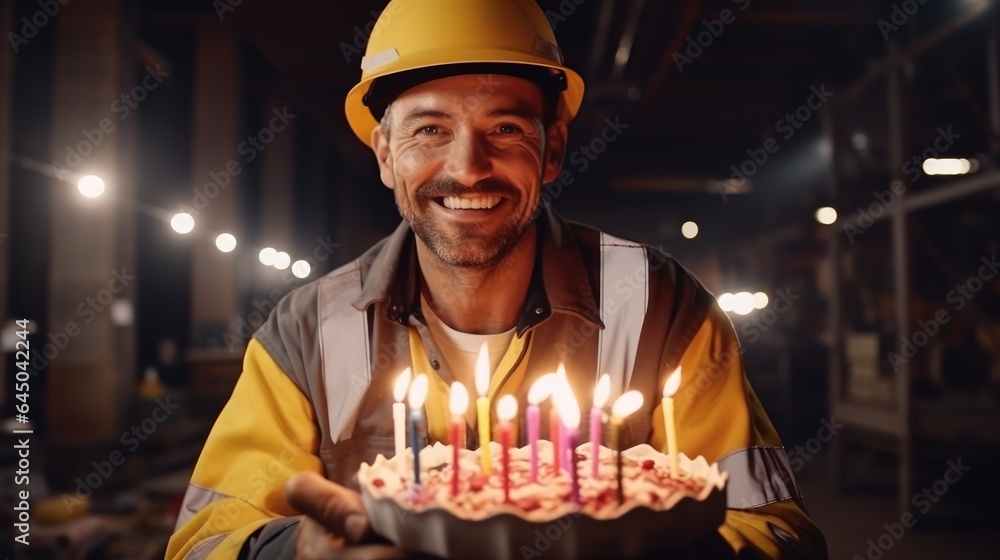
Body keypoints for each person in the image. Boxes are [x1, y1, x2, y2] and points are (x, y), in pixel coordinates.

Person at [166, 0, 828, 558]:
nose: (468, 168)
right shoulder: (308, 330)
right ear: (385, 156)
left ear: (553, 151)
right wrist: (299, 551)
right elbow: (204, 539)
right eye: (429, 130)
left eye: (505, 129)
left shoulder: (659, 307)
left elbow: (776, 530)